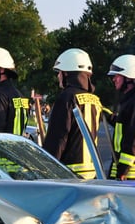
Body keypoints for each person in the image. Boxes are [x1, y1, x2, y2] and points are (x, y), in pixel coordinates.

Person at [42, 48, 103, 178]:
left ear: (67, 74)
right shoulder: (95, 100)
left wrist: (47, 168)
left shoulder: (66, 98)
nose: (58, 76)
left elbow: (58, 138)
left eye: (60, 73)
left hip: (69, 173)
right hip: (92, 172)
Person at [106, 54, 135, 181]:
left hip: (132, 174)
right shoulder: (132, 101)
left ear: (129, 78)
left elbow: (134, 136)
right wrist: (108, 116)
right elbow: (126, 128)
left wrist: (123, 169)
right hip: (129, 171)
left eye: (117, 76)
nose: (114, 79)